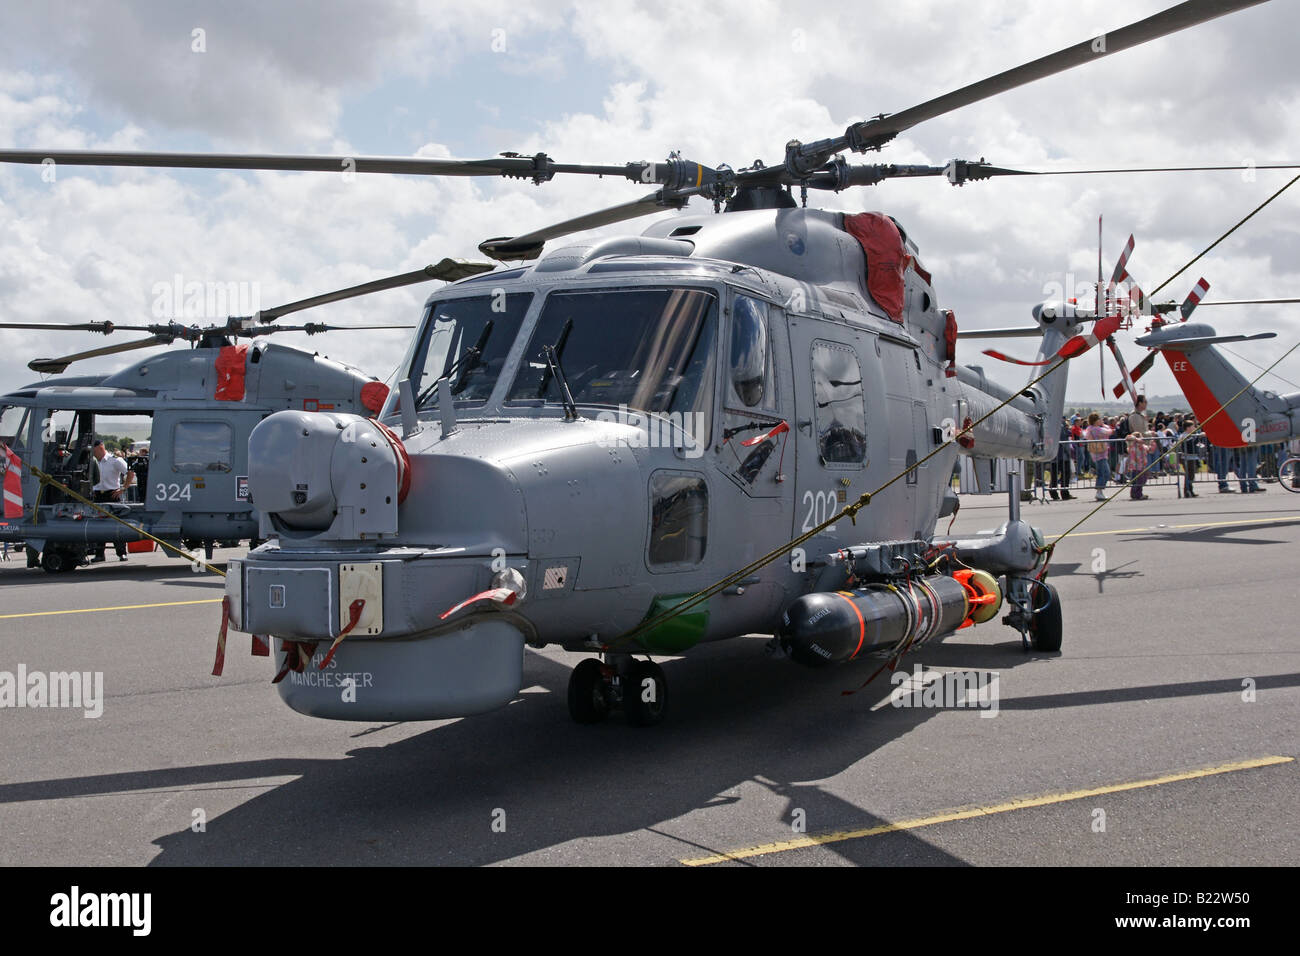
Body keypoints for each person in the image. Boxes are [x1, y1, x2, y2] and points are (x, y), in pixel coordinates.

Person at [91, 440, 132, 562]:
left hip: (112, 494)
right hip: (97, 495)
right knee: (98, 526)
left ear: (100, 447)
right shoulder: (93, 462)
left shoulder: (115, 460)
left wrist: (124, 488)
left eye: (94, 449)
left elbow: (130, 472)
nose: (92, 452)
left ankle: (121, 553)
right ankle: (99, 554)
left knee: (116, 525)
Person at [1083, 412, 1114, 501]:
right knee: (1105, 472)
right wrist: (1104, 425)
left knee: (1102, 472)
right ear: (1095, 420)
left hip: (1097, 453)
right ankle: (1099, 491)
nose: (1101, 420)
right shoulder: (1096, 429)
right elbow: (1109, 432)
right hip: (1100, 454)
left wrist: (1103, 425)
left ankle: (1099, 492)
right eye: (1099, 419)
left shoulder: (1089, 428)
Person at [1049, 416, 1075, 500]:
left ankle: (1055, 493)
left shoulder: (1052, 424)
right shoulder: (1060, 425)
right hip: (1062, 454)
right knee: (1064, 474)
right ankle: (1063, 493)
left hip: (1055, 454)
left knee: (1055, 475)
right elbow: (1064, 437)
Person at [1126, 431, 1153, 500]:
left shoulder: (1142, 446)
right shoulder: (1132, 445)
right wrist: (1136, 439)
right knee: (1138, 481)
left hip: (1142, 466)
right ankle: (1137, 494)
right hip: (1136, 466)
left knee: (1142, 480)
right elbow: (1128, 437)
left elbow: (1149, 449)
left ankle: (1136, 493)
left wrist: (1151, 444)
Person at [1180, 419, 1202, 497]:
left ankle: (1190, 490)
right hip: (1187, 457)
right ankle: (1187, 491)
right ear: (1188, 428)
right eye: (1193, 426)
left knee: (1191, 474)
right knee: (1189, 474)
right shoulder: (1184, 435)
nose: (1194, 428)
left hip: (1192, 457)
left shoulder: (1192, 435)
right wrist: (1198, 437)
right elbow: (1188, 444)